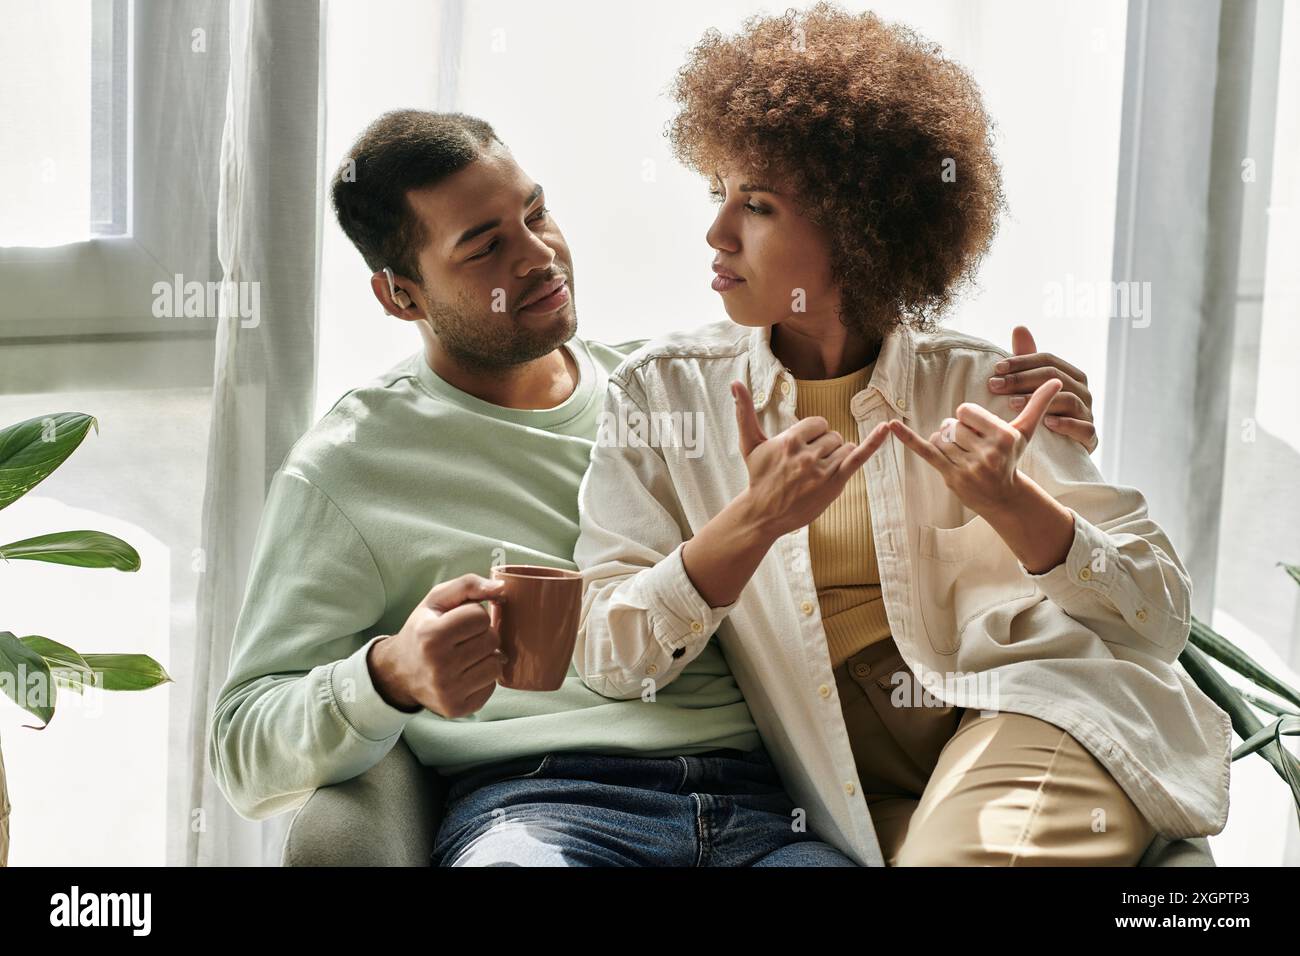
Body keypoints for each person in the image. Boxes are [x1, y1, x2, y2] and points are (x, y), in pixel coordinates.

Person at [208, 106, 1103, 867]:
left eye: (537, 214)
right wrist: (388, 675)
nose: (538, 256)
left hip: (770, 810)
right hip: (541, 809)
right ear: (402, 297)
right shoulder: (350, 466)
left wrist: (1032, 415)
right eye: (484, 247)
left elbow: (883, 403)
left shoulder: (681, 390)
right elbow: (243, 746)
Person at [573, 4, 1231, 866]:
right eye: (717, 193)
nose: (716, 232)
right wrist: (753, 523)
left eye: (758, 204)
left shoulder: (988, 384)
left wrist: (1015, 504)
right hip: (839, 771)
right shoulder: (662, 394)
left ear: (858, 224)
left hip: (1031, 703)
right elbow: (609, 656)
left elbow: (1159, 619)